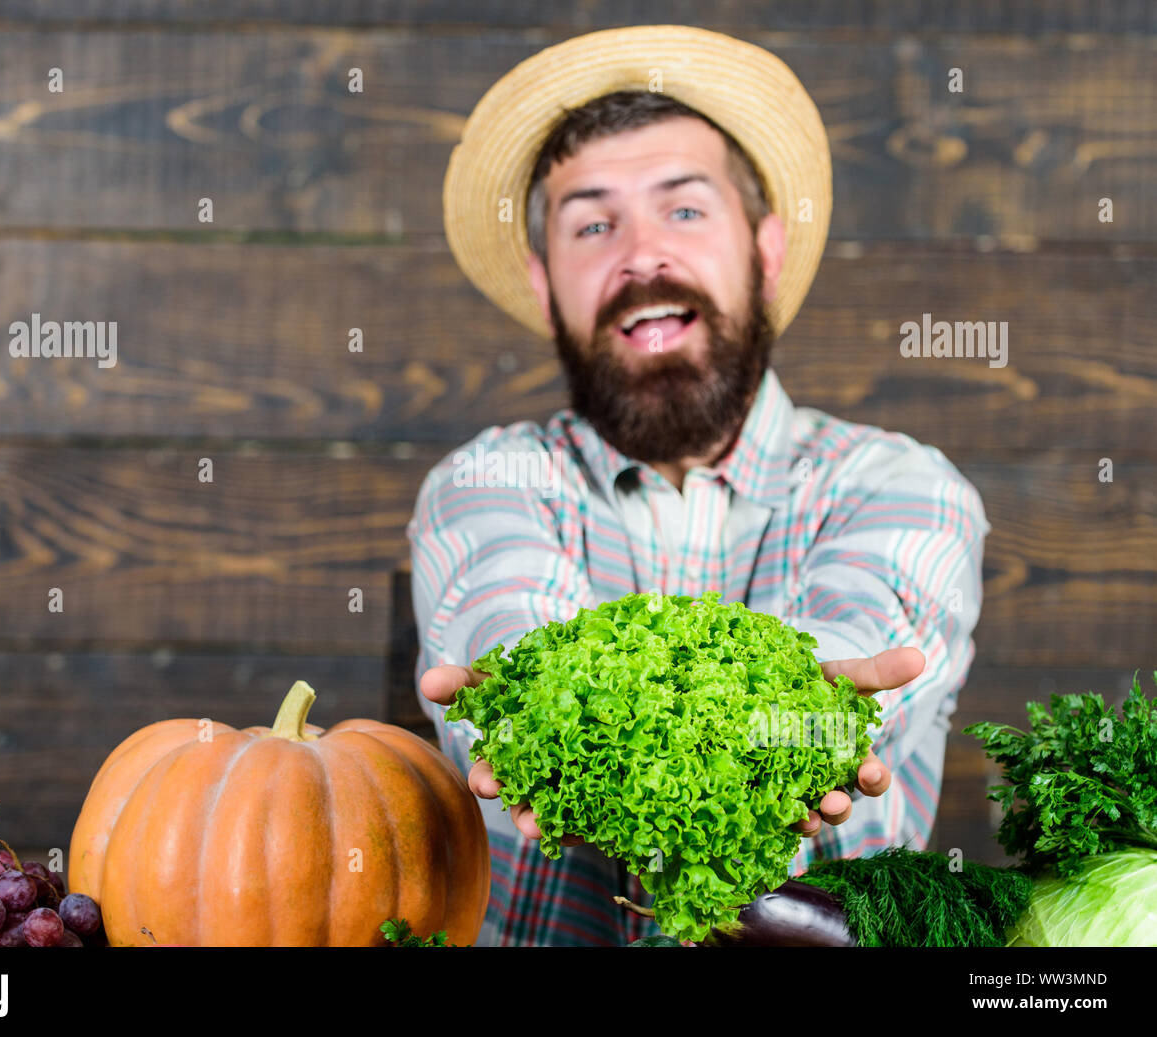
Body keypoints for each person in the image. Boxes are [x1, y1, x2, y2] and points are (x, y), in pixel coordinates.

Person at [406, 26, 989, 946]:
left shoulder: (900, 482)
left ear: (764, 248)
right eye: (592, 224)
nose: (642, 256)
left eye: (684, 212)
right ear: (544, 282)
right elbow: (507, 625)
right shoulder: (487, 478)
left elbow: (859, 639)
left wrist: (801, 715)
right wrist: (533, 706)